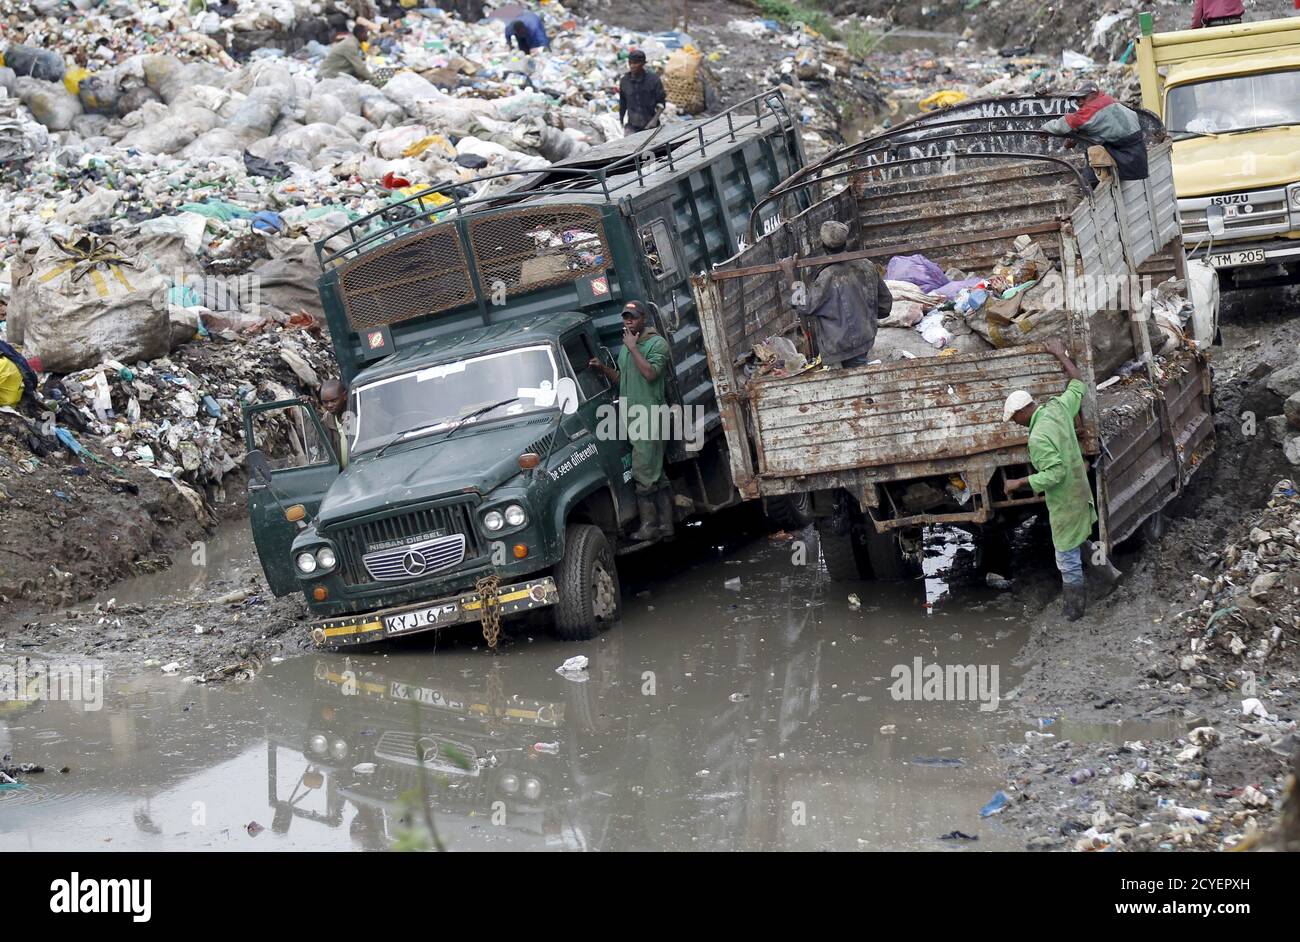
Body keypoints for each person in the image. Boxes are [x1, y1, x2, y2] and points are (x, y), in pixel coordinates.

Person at [1001, 339, 1119, 621]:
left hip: (1065, 498)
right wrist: (1060, 354)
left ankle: (1074, 610)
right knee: (1081, 540)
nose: (1015, 423)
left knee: (1066, 556)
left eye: (1014, 418)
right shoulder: (1057, 408)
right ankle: (1110, 574)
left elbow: (1055, 474)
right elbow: (1077, 383)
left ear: (1022, 412)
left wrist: (1019, 484)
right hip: (1080, 489)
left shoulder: (1038, 437)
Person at [588, 300, 674, 541]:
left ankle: (649, 526)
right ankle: (667, 526)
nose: (628, 321)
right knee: (656, 474)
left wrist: (633, 348)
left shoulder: (656, 344)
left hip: (651, 417)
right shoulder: (628, 346)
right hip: (635, 418)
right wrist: (604, 368)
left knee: (643, 471)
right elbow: (625, 379)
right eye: (626, 317)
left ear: (643, 318)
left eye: (633, 317)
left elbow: (649, 374)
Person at [795, 220, 891, 368]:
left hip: (838, 348)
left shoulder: (826, 276)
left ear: (824, 246)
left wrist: (790, 274)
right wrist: (865, 318)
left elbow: (803, 306)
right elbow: (885, 305)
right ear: (845, 242)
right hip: (864, 341)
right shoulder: (866, 265)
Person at [1043, 83, 1148, 182]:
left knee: (1079, 186)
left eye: (1083, 98)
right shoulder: (1108, 100)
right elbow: (1101, 126)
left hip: (1125, 157)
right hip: (1137, 155)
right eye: (1077, 100)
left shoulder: (1091, 109)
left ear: (1093, 94)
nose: (1080, 103)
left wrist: (1044, 129)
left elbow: (1062, 125)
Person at [618, 49, 666, 134]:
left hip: (651, 127)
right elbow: (623, 102)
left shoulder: (653, 80)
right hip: (632, 127)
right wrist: (621, 119)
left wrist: (654, 120)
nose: (632, 66)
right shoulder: (625, 81)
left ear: (643, 63)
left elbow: (661, 103)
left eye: (636, 63)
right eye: (630, 63)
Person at [320, 378, 351, 468]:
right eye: (325, 402)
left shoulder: (357, 414)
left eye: (334, 401)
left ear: (345, 396)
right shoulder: (327, 419)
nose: (329, 405)